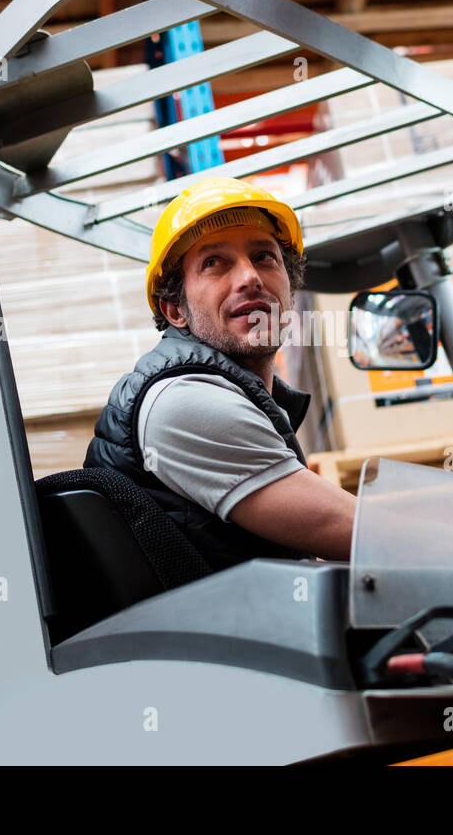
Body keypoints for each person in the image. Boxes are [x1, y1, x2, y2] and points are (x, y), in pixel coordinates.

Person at [84, 176, 356, 570]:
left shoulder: (246, 399)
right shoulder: (183, 401)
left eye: (265, 257)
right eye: (214, 264)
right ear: (175, 311)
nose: (250, 277)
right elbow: (352, 530)